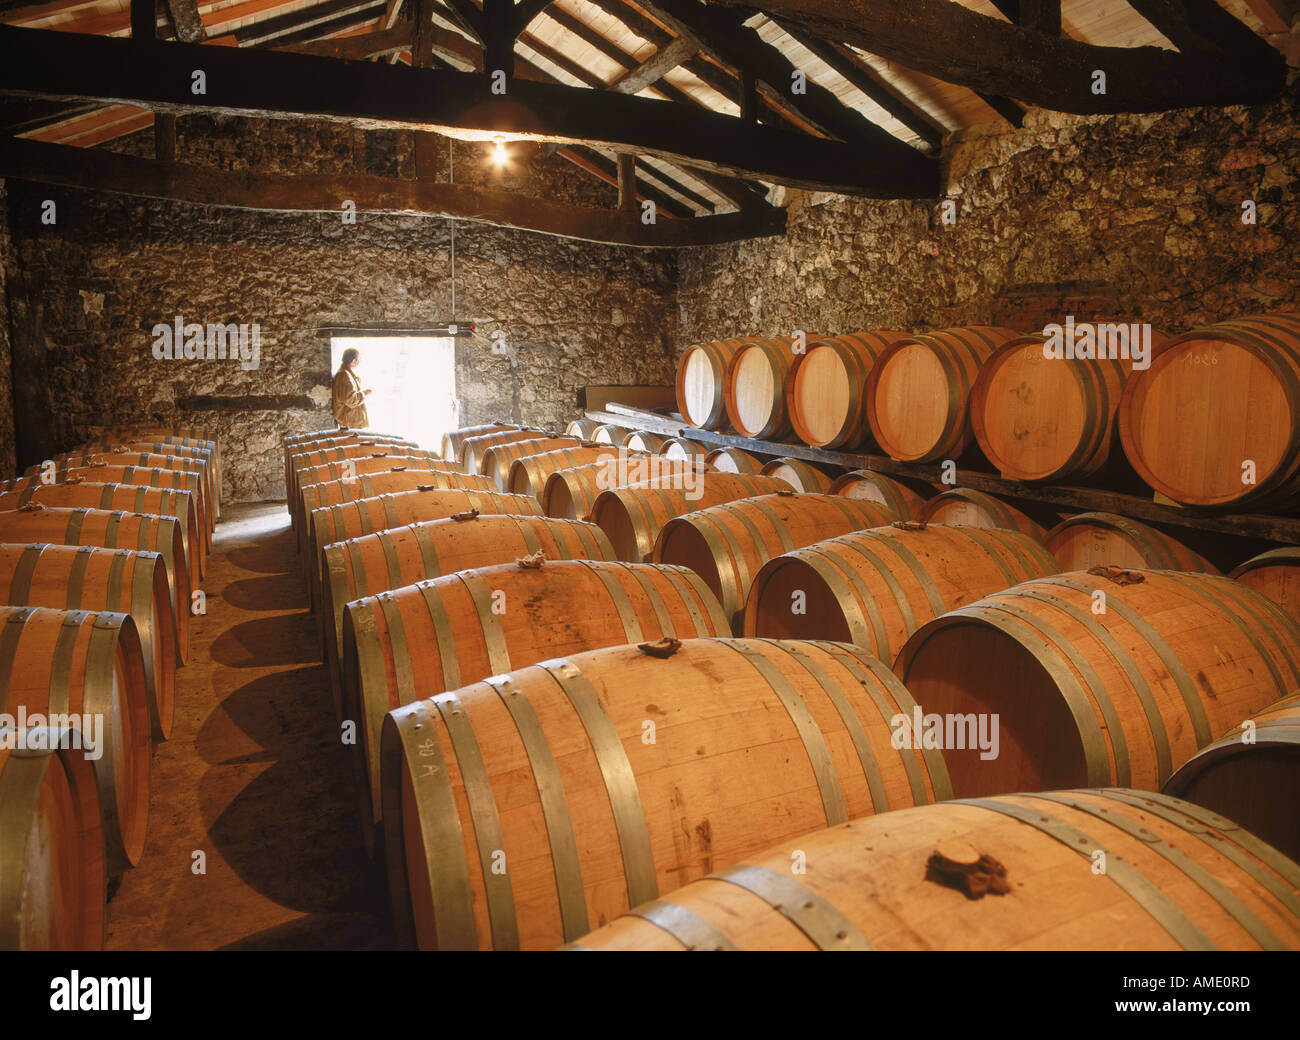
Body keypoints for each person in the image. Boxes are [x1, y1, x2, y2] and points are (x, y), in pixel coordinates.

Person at [332, 348, 372, 428]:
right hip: (350, 423)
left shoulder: (346, 374)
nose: (359, 362)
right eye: (359, 360)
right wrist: (365, 393)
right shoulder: (344, 375)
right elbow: (351, 400)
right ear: (353, 361)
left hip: (351, 422)